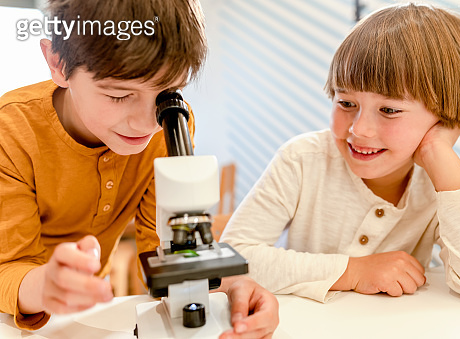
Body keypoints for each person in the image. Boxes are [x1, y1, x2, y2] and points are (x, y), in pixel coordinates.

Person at [0, 0, 278, 337]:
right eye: (119, 96)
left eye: (166, 92)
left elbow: (158, 250)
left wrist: (225, 286)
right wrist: (45, 286)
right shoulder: (10, 133)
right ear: (57, 63)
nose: (147, 123)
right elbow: (9, 266)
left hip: (88, 301)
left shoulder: (170, 123)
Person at [221, 2, 460, 306]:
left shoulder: (441, 183)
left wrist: (437, 151)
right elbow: (231, 260)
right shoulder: (302, 160)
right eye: (346, 103)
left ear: (445, 117)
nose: (360, 130)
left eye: (389, 110)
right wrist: (353, 270)